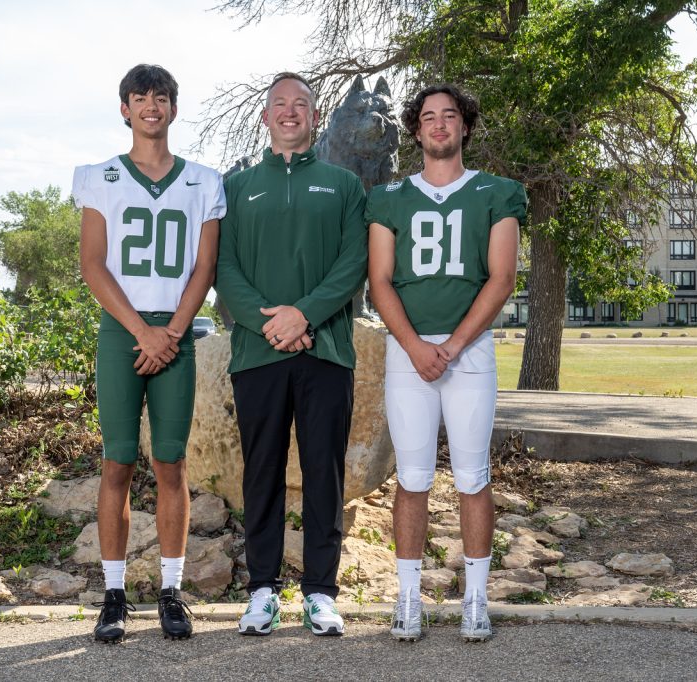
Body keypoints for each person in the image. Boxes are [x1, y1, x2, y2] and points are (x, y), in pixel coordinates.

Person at [365, 84, 526, 641]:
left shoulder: (497, 193)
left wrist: (452, 346)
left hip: (470, 351)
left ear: (464, 126)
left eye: (448, 116)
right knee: (410, 479)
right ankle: (408, 599)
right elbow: (379, 280)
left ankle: (474, 600)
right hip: (408, 349)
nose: (438, 125)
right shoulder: (389, 198)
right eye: (428, 117)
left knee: (472, 476)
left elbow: (501, 278)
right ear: (416, 129)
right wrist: (414, 346)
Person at [73, 64, 224, 643]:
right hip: (122, 330)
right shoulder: (100, 177)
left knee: (171, 463)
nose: (151, 106)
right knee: (117, 461)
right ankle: (113, 595)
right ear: (125, 109)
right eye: (140, 98)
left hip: (177, 332)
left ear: (173, 109)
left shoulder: (204, 181)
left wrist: (172, 333)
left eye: (160, 98)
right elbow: (92, 264)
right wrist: (143, 332)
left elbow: (205, 267)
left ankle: (170, 590)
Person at [216, 72, 367, 637]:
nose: (289, 112)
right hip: (257, 355)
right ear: (266, 117)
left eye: (299, 104)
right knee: (262, 474)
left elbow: (354, 263)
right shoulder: (236, 188)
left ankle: (321, 593)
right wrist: (269, 323)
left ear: (314, 115)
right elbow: (223, 267)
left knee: (324, 474)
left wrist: (303, 315)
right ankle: (261, 591)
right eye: (279, 104)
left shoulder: (343, 184)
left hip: (326, 350)